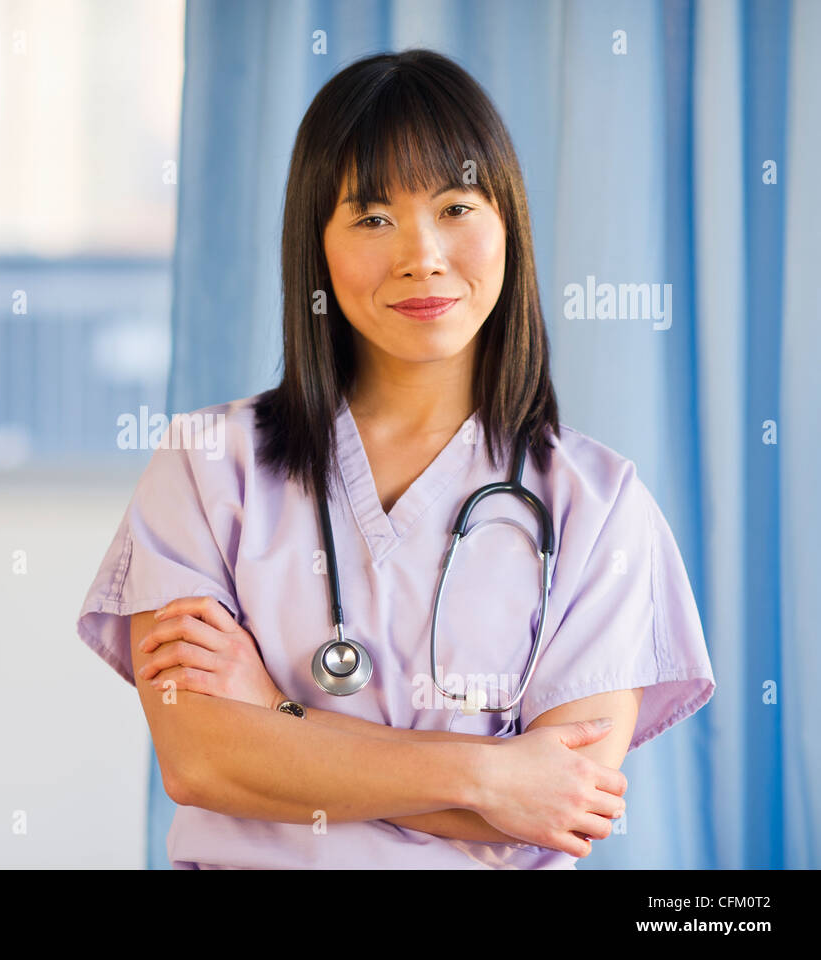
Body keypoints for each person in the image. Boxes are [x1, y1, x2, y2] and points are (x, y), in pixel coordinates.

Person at [75, 49, 715, 869]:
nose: (422, 255)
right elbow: (201, 759)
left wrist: (277, 717)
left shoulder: (599, 505)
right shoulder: (207, 465)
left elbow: (563, 802)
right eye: (373, 218)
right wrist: (492, 777)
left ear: (507, 222)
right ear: (318, 244)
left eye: (456, 206)